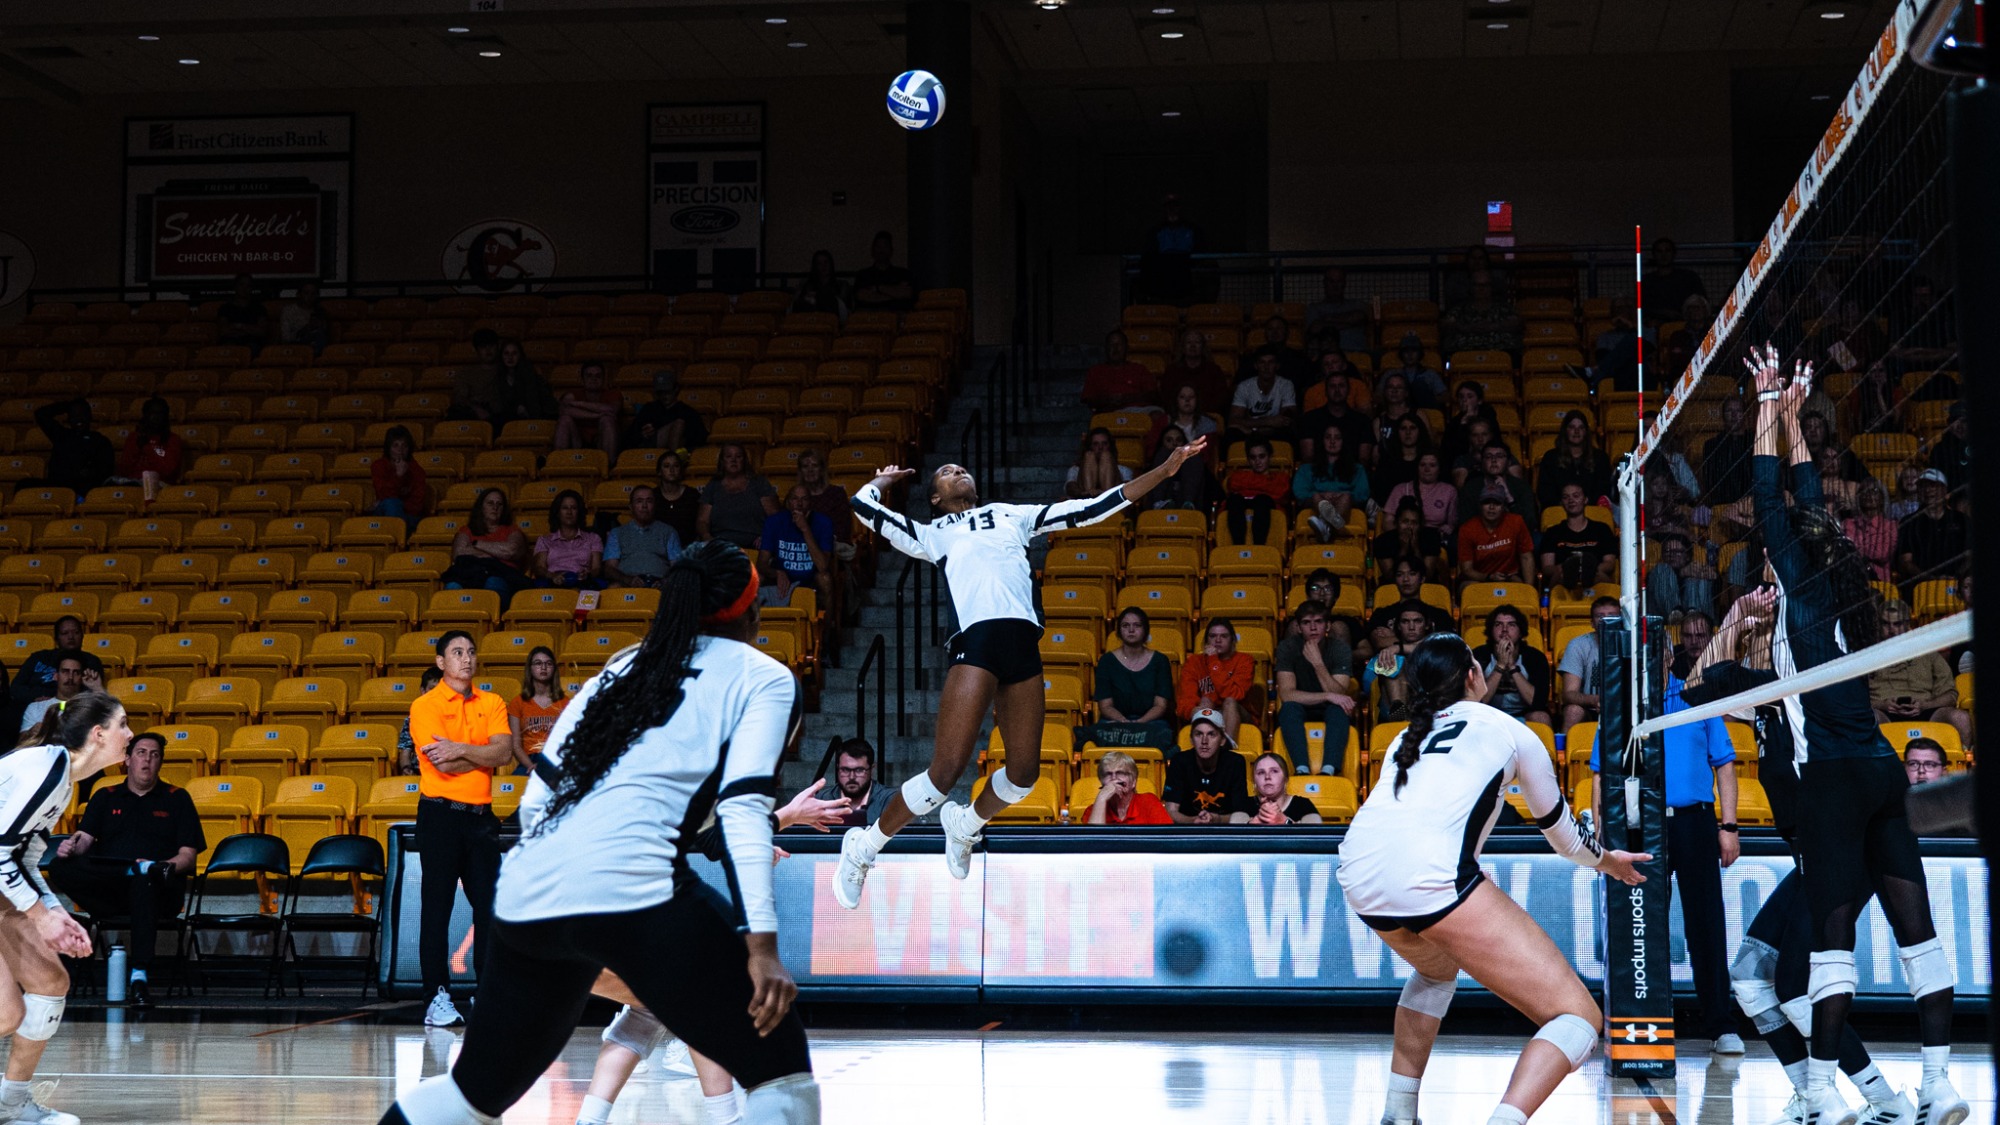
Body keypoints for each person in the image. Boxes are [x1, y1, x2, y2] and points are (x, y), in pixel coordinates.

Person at [376, 542, 820, 1125]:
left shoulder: (622, 665)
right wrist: (760, 948)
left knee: (472, 1095)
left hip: (530, 889)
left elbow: (539, 795)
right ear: (752, 609)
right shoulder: (765, 677)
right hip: (636, 889)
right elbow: (740, 812)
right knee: (783, 1078)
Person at [834, 438, 1209, 907]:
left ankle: (966, 824)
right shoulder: (931, 534)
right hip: (977, 643)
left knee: (1023, 776)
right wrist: (882, 482)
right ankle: (864, 848)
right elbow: (863, 507)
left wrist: (1165, 470)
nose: (957, 470)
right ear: (935, 497)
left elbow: (1092, 507)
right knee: (943, 775)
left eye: (961, 467)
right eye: (946, 471)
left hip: (1023, 646)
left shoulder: (1011, 514)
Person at [1743, 345, 1962, 1125]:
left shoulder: (1796, 594)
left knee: (1830, 948)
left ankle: (1818, 1094)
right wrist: (1795, 419)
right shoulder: (1848, 589)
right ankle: (1939, 1084)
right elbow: (1805, 501)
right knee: (1918, 937)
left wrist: (1766, 404)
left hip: (1833, 778)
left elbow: (1767, 495)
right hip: (1882, 770)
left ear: (1784, 555)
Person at [1336, 634, 1647, 1125]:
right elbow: (1564, 838)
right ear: (1473, 676)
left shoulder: (1403, 736)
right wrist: (1608, 860)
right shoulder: (1510, 730)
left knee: (1435, 971)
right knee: (1579, 1018)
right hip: (1427, 877)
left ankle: (1398, 1112)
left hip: (1358, 875)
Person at [1686, 588, 1921, 1125]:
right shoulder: (1765, 703)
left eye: (1777, 636)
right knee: (1750, 978)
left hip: (1845, 852)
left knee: (1793, 985)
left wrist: (1756, 624)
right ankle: (1823, 1097)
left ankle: (1881, 1101)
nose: (1769, 643)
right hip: (1810, 857)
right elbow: (1698, 684)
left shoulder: (1811, 696)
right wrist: (1738, 615)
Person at [1588, 678, 1742, 1053]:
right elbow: (1600, 774)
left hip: (1694, 821)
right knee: (1639, 924)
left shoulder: (1696, 698)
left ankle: (1721, 1026)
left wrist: (1729, 827)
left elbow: (1724, 763)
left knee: (1706, 923)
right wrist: (1601, 836)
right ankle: (1639, 1021)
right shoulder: (1622, 702)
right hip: (1641, 826)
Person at [0, 693, 131, 1125]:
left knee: (51, 982)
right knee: (6, 1013)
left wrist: (57, 914)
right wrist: (40, 917)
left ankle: (11, 1105)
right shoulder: (44, 769)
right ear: (98, 734)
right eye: (123, 725)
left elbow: (25, 860)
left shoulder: (63, 779)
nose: (130, 734)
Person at [48, 731, 202, 1010]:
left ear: (160, 763)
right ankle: (129, 874)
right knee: (59, 866)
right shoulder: (105, 796)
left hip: (158, 889)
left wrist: (158, 867)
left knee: (144, 880)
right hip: (112, 888)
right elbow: (85, 839)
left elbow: (188, 858)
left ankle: (139, 976)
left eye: (154, 755)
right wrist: (71, 847)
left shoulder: (177, 798)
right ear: (128, 760)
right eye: (141, 753)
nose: (148, 760)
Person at [407, 630, 514, 1029]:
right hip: (440, 816)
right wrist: (482, 753)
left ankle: (487, 993)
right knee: (437, 908)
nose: (466, 658)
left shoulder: (493, 701)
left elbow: (505, 753)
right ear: (441, 662)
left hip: (481, 817)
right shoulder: (424, 705)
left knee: (491, 908)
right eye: (457, 652)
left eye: (470, 651)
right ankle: (436, 997)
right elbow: (444, 764)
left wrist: (461, 748)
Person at [1870, 600, 1973, 750]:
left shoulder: (1927, 652)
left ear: (1908, 624)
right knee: (1867, 718)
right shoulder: (1867, 656)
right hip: (1884, 711)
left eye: (1897, 624)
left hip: (1925, 709)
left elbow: (1950, 696)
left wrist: (1924, 705)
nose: (1891, 630)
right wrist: (1882, 704)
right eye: (1886, 624)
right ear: (1878, 625)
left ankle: (1963, 762)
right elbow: (1854, 699)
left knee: (1961, 718)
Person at [1077, 609, 1176, 755]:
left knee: (1163, 738)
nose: (1131, 630)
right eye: (1125, 625)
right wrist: (1124, 722)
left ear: (1145, 630)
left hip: (1151, 724)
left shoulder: (1160, 661)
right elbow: (1105, 706)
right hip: (1115, 724)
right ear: (1118, 631)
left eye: (1137, 625)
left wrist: (1138, 724)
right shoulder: (1107, 661)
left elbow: (1160, 705)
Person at [1274, 600, 1356, 777]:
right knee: (1288, 709)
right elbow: (1287, 694)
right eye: (1306, 623)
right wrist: (1327, 695)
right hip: (1300, 705)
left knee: (1339, 709)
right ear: (1298, 627)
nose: (1313, 628)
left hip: (1330, 707)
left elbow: (1340, 694)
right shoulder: (1287, 647)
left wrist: (1318, 663)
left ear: (1328, 626)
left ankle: (1329, 770)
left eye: (1318, 622)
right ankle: (1301, 770)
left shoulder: (1340, 649)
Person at [444, 488, 531, 606]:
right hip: (470, 575)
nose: (495, 507)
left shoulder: (513, 531)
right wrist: (495, 553)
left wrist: (476, 544)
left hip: (502, 576)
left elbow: (510, 551)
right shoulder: (467, 530)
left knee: (493, 582)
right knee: (452, 586)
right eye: (490, 503)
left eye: (499, 504)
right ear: (481, 507)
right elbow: (459, 553)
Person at [1163, 708, 1248, 825]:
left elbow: (1242, 814)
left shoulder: (1235, 762)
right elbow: (1170, 811)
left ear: (1222, 740)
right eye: (1198, 734)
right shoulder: (1179, 761)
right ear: (1191, 739)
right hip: (1187, 830)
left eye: (1211, 734)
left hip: (1225, 831)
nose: (1204, 741)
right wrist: (1193, 821)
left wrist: (1216, 819)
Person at [1472, 606, 1553, 727]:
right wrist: (1500, 666)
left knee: (1541, 717)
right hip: (1488, 713)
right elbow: (1477, 701)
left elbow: (1537, 703)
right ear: (1491, 630)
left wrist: (1512, 667)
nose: (1504, 630)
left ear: (1521, 632)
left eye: (1511, 625)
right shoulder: (1478, 656)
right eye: (1498, 624)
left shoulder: (1535, 657)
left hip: (1524, 713)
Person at [759, 485, 836, 612]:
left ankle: (827, 625)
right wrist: (777, 573)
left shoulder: (824, 522)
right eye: (795, 499)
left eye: (804, 499)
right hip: (782, 576)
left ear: (810, 503)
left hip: (811, 577)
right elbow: (761, 563)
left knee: (825, 579)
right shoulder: (774, 522)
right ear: (788, 502)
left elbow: (823, 566)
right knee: (758, 578)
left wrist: (805, 529)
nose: (799, 504)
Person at [1176, 618, 1253, 737]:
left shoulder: (1244, 660)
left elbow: (1235, 694)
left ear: (1232, 639)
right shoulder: (1194, 662)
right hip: (1206, 711)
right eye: (1212, 636)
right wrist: (1193, 711)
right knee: (1206, 700)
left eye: (1224, 636)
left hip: (1236, 712)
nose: (1218, 640)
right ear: (1206, 640)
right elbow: (1186, 699)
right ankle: (1206, 744)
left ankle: (1227, 745)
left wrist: (1213, 661)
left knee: (1229, 702)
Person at [697, 443, 781, 552]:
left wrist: (766, 536)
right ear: (722, 461)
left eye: (738, 456)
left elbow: (775, 516)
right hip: (721, 546)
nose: (733, 460)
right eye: (729, 456)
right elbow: (702, 520)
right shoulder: (713, 485)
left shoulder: (759, 483)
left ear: (744, 460)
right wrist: (707, 537)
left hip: (755, 544)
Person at [1557, 597, 1622, 734]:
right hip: (1589, 707)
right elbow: (1569, 694)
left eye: (1612, 616)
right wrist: (1595, 700)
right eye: (1600, 616)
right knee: (1572, 711)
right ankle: (1565, 748)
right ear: (1592, 623)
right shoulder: (1578, 645)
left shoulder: (1632, 643)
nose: (1606, 621)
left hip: (1623, 706)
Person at [1294, 425, 1369, 542]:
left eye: (1337, 438)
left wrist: (1340, 495)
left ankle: (1326, 527)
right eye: (1328, 437)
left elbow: (1362, 494)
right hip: (1315, 503)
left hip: (1346, 505)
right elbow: (1300, 492)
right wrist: (1323, 495)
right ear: (1322, 441)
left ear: (1344, 442)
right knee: (1316, 496)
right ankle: (1335, 526)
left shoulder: (1357, 469)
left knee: (1346, 497)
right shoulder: (1306, 469)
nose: (1332, 441)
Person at [1893, 469, 1967, 586]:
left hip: (1958, 584)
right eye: (1923, 486)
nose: (1928, 490)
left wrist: (1956, 578)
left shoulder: (1961, 520)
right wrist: (1932, 579)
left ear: (1944, 490)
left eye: (1933, 485)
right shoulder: (1908, 522)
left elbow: (1970, 554)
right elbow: (1905, 562)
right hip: (1921, 586)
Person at [1541, 483, 1619, 589]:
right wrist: (1567, 568)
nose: (1571, 500)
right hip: (1563, 578)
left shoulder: (1602, 529)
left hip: (1594, 576)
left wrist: (1588, 570)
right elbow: (1547, 568)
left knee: (1600, 577)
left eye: (1576, 496)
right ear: (1562, 502)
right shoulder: (1552, 532)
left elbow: (1609, 563)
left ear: (1585, 500)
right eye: (1566, 497)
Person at [1456, 482, 1536, 586]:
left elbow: (1526, 557)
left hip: (1509, 575)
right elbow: (1467, 569)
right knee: (1469, 588)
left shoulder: (1516, 522)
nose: (1491, 507)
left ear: (1503, 506)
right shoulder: (1467, 529)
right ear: (1480, 505)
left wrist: (1529, 589)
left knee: (1518, 584)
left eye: (1497, 503)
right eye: (1486, 502)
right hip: (1478, 578)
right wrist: (1489, 577)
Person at [1366, 603, 1435, 722]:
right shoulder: (1389, 652)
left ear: (1427, 625)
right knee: (1394, 661)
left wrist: (1399, 647)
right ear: (1398, 626)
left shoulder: (1438, 645)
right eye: (1405, 622)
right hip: (1391, 709)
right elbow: (1367, 680)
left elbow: (1434, 649)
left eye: (1417, 621)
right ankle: (1399, 716)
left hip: (1430, 706)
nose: (1411, 627)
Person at [30, 399, 115, 496]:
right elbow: (41, 414)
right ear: (69, 419)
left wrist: (88, 472)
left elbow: (105, 471)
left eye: (82, 414)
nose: (78, 418)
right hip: (56, 487)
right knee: (24, 484)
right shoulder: (61, 435)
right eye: (74, 415)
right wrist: (67, 405)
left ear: (90, 416)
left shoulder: (100, 441)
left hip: (82, 488)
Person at [1296, 364, 1375, 467]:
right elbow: (1308, 458)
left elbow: (1363, 460)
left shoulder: (1362, 421)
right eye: (1332, 386)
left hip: (1352, 473)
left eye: (1341, 386)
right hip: (1318, 473)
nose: (1337, 390)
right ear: (1325, 391)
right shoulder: (1310, 419)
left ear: (1348, 390)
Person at [604, 486, 683, 589]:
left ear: (655, 505)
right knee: (613, 587)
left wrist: (663, 582)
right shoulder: (617, 533)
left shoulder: (669, 532)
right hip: (627, 584)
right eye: (639, 501)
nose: (644, 506)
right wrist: (628, 580)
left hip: (660, 585)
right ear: (631, 507)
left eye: (649, 501)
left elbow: (677, 567)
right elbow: (609, 568)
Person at [1366, 558, 1454, 649]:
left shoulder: (1440, 614)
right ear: (1395, 580)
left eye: (1412, 574)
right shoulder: (1381, 614)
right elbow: (1380, 643)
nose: (1406, 579)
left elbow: (1447, 645)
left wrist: (1395, 637)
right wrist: (1427, 641)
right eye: (1399, 575)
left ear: (1422, 579)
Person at [1534, 411, 1614, 510]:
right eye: (1572, 427)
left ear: (1586, 431)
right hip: (1560, 511)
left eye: (1581, 428)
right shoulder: (1550, 458)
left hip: (1592, 510)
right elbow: (1545, 492)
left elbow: (1604, 490)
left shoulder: (1600, 458)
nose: (1576, 431)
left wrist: (1584, 504)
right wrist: (1567, 504)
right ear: (1565, 431)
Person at [506, 646, 567, 771]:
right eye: (538, 663)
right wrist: (530, 766)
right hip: (529, 760)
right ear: (530, 668)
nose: (543, 667)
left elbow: (568, 741)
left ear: (554, 669)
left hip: (556, 759)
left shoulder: (565, 702)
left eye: (548, 663)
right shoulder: (517, 702)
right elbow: (515, 745)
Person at [811, 739, 895, 828]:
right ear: (838, 769)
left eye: (859, 770)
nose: (851, 777)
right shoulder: (821, 800)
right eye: (845, 770)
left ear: (872, 769)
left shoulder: (891, 800)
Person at [113, 396, 184, 500]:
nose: (156, 418)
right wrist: (137, 447)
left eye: (160, 414)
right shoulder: (134, 438)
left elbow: (168, 471)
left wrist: (147, 447)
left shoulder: (173, 440)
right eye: (152, 413)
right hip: (132, 484)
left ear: (166, 416)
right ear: (145, 415)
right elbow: (123, 470)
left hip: (160, 485)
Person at [1221, 438, 1290, 546]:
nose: (1257, 461)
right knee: (1235, 500)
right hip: (1240, 503)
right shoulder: (1238, 476)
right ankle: (1237, 546)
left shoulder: (1280, 478)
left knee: (1262, 500)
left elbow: (1280, 493)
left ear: (1270, 456)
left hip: (1265, 505)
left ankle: (1259, 547)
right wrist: (1263, 486)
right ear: (1248, 459)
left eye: (1262, 456)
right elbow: (1232, 484)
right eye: (1253, 457)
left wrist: (1250, 487)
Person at [623, 369, 708, 452]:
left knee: (679, 424)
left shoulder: (688, 412)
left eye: (667, 391)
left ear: (676, 389)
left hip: (681, 453)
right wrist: (642, 435)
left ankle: (672, 459)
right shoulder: (649, 409)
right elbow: (629, 437)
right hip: (649, 452)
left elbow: (700, 439)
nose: (664, 395)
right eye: (660, 392)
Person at [533, 490, 603, 590]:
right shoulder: (544, 540)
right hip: (553, 584)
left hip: (582, 584)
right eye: (564, 508)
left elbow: (597, 568)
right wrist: (552, 576)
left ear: (579, 512)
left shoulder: (593, 538)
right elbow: (539, 568)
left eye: (573, 508)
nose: (569, 512)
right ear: (558, 512)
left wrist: (587, 575)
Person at [1439, 271, 1522, 355]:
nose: (1481, 289)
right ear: (1471, 287)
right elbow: (1446, 324)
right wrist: (1468, 328)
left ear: (1491, 287)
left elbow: (1516, 323)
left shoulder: (1504, 309)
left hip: (1499, 353)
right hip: (1464, 353)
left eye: (1485, 285)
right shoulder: (1459, 310)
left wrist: (1493, 327)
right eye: (1477, 285)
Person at [8, 618, 81, 712]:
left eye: (76, 632)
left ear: (82, 636)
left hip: (66, 708)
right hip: (31, 705)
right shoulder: (38, 657)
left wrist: (52, 700)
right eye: (65, 633)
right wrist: (35, 698)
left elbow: (88, 692)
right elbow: (16, 687)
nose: (71, 637)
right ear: (56, 639)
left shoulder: (90, 661)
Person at [1138, 194, 1200, 304]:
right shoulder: (1156, 231)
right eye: (1169, 206)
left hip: (1186, 283)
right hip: (1163, 284)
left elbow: (1200, 256)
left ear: (1180, 208)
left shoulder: (1193, 230)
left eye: (1175, 206)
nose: (1172, 209)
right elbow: (1148, 257)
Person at [1230, 752, 1323, 825]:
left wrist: (1284, 822)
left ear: (1285, 779)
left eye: (1274, 771)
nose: (1267, 777)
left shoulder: (1303, 805)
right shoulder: (1244, 805)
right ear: (1254, 781)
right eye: (1261, 772)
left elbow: (1315, 836)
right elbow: (1233, 837)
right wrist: (1253, 824)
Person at [1080, 330, 1160, 414]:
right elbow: (1089, 400)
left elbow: (1153, 395)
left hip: (1138, 411)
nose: (1115, 348)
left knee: (1157, 415)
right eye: (1111, 344)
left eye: (1120, 344)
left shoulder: (1139, 369)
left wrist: (1127, 398)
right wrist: (1108, 400)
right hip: (1108, 413)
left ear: (1127, 348)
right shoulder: (1096, 371)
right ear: (1106, 348)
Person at [553, 361, 622, 457]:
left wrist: (577, 404)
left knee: (607, 420)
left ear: (604, 379)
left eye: (598, 376)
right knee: (565, 420)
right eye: (589, 376)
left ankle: (609, 464)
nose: (593, 379)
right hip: (578, 440)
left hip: (602, 440)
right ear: (582, 379)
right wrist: (597, 415)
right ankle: (558, 462)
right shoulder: (573, 394)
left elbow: (612, 410)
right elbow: (565, 411)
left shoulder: (613, 394)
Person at [1457, 442, 1536, 524]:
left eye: (1499, 456)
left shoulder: (1522, 487)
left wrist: (1509, 498)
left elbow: (1529, 524)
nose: (1494, 460)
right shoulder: (1470, 488)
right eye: (1488, 457)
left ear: (1509, 462)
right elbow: (1465, 523)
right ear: (1482, 462)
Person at [1086, 751, 1172, 826]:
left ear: (1134, 782)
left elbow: (1166, 836)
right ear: (1101, 781)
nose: (1114, 778)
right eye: (1107, 774)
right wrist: (1101, 798)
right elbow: (1093, 839)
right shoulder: (1093, 810)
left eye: (1121, 773)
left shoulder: (1149, 803)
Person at [1227, 353, 1297, 444]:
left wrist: (1259, 425)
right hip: (1250, 431)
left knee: (1288, 433)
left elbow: (1286, 419)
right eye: (1262, 362)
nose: (1266, 367)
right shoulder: (1244, 386)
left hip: (1274, 432)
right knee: (1231, 433)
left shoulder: (1286, 385)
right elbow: (1233, 420)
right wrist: (1267, 422)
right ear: (1256, 366)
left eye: (1270, 362)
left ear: (1277, 366)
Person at [1160, 328, 1232, 416]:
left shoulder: (1214, 371)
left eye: (1197, 342)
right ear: (1183, 347)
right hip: (1178, 417)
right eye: (1188, 342)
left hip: (1207, 416)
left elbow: (1221, 398)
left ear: (1203, 347)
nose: (1193, 346)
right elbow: (1167, 397)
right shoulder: (1172, 371)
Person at [370, 425, 429, 529]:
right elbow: (384, 493)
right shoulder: (379, 466)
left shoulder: (417, 471)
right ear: (388, 448)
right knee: (391, 504)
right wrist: (398, 476)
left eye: (404, 446)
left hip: (409, 516)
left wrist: (397, 505)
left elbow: (417, 506)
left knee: (392, 504)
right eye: (395, 445)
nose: (400, 450)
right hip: (383, 514)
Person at [17, 654, 89, 739]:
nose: (70, 677)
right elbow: (21, 743)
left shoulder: (90, 709)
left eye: (76, 673)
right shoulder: (36, 708)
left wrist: (97, 688)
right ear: (56, 676)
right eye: (65, 671)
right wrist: (31, 732)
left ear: (82, 678)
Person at [1701, 396, 1755, 505]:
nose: (1734, 415)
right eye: (1729, 411)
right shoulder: (1711, 445)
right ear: (1723, 415)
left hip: (1752, 503)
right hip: (1722, 504)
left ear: (1745, 414)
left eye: (1738, 411)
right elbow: (1710, 482)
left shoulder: (1755, 441)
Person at [1143, 425, 1211, 510]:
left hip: (1190, 507)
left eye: (1178, 440)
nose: (1174, 444)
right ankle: (1159, 503)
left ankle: (1189, 503)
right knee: (1163, 453)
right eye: (1169, 440)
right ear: (1162, 442)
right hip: (1159, 509)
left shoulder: (1194, 461)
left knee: (1193, 456)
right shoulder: (1159, 458)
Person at [1304, 267, 1370, 354]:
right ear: (1325, 283)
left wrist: (1327, 320)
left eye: (1339, 281)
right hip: (1327, 356)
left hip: (1357, 354)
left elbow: (1360, 317)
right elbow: (1315, 328)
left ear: (1344, 284)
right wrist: (1350, 323)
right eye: (1331, 281)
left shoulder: (1357, 305)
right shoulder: (1314, 308)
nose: (1335, 286)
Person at [1242, 315, 1312, 393]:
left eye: (1279, 328)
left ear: (1287, 332)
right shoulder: (1253, 358)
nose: (1274, 332)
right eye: (1270, 329)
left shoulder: (1300, 359)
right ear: (1265, 334)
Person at [494, 339, 558, 422]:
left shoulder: (528, 372)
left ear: (520, 355)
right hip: (511, 417)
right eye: (506, 353)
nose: (510, 357)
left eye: (514, 353)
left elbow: (534, 401)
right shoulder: (499, 376)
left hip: (537, 416)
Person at [1643, 237, 1707, 321]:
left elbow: (1701, 301)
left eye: (1667, 251)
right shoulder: (1647, 281)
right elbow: (1644, 307)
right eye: (1659, 251)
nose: (1664, 255)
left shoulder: (1689, 277)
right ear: (1654, 255)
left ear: (1674, 254)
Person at [1373, 415, 1434, 500]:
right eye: (1403, 428)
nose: (1408, 432)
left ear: (1420, 431)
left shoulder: (1431, 459)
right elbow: (1380, 491)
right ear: (1397, 432)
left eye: (1412, 428)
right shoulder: (1387, 460)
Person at [1380, 333, 1446, 409]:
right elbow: (1377, 396)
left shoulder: (1430, 374)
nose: (1410, 355)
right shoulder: (1391, 374)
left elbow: (1445, 396)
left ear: (1419, 354)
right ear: (1401, 354)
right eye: (1406, 351)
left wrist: (1426, 398)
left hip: (1424, 411)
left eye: (1414, 351)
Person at [851, 231, 913, 311]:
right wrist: (894, 294)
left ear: (891, 250)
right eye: (878, 246)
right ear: (872, 250)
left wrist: (877, 288)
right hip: (869, 316)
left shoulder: (902, 274)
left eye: (885, 246)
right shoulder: (863, 275)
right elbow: (862, 296)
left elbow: (907, 293)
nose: (881, 250)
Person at [1064, 428, 1132, 500]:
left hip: (1113, 500)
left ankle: (1107, 496)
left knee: (1106, 455)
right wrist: (1082, 493)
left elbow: (1129, 489)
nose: (1100, 447)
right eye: (1095, 444)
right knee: (1089, 455)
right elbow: (1070, 487)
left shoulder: (1123, 469)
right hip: (1085, 499)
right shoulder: (1075, 469)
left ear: (1110, 445)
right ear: (1090, 446)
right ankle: (1090, 495)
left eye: (1104, 443)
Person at [654, 450, 702, 545]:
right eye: (666, 466)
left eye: (676, 466)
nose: (672, 470)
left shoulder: (692, 495)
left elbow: (700, 526)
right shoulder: (652, 496)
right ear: (659, 471)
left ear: (681, 470)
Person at [215, 273, 269, 351]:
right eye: (241, 284)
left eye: (248, 286)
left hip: (253, 345)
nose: (244, 288)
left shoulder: (260, 308)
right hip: (230, 344)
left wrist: (238, 327)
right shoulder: (225, 308)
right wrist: (250, 330)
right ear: (235, 287)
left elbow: (262, 331)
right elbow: (223, 331)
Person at [791, 249, 848, 321]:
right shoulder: (808, 285)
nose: (824, 266)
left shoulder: (841, 285)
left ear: (831, 264)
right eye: (819, 263)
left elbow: (842, 308)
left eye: (826, 262)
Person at [277, 279, 329, 352]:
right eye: (306, 293)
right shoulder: (288, 311)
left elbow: (325, 335)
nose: (309, 296)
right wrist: (303, 331)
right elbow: (285, 338)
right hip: (295, 347)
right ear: (299, 294)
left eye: (313, 294)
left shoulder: (320, 311)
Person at [1670, 611, 1715, 681]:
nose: (1694, 642)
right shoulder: (1671, 658)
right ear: (1681, 638)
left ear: (1711, 637)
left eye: (1700, 635)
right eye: (1688, 636)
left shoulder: (1721, 660)